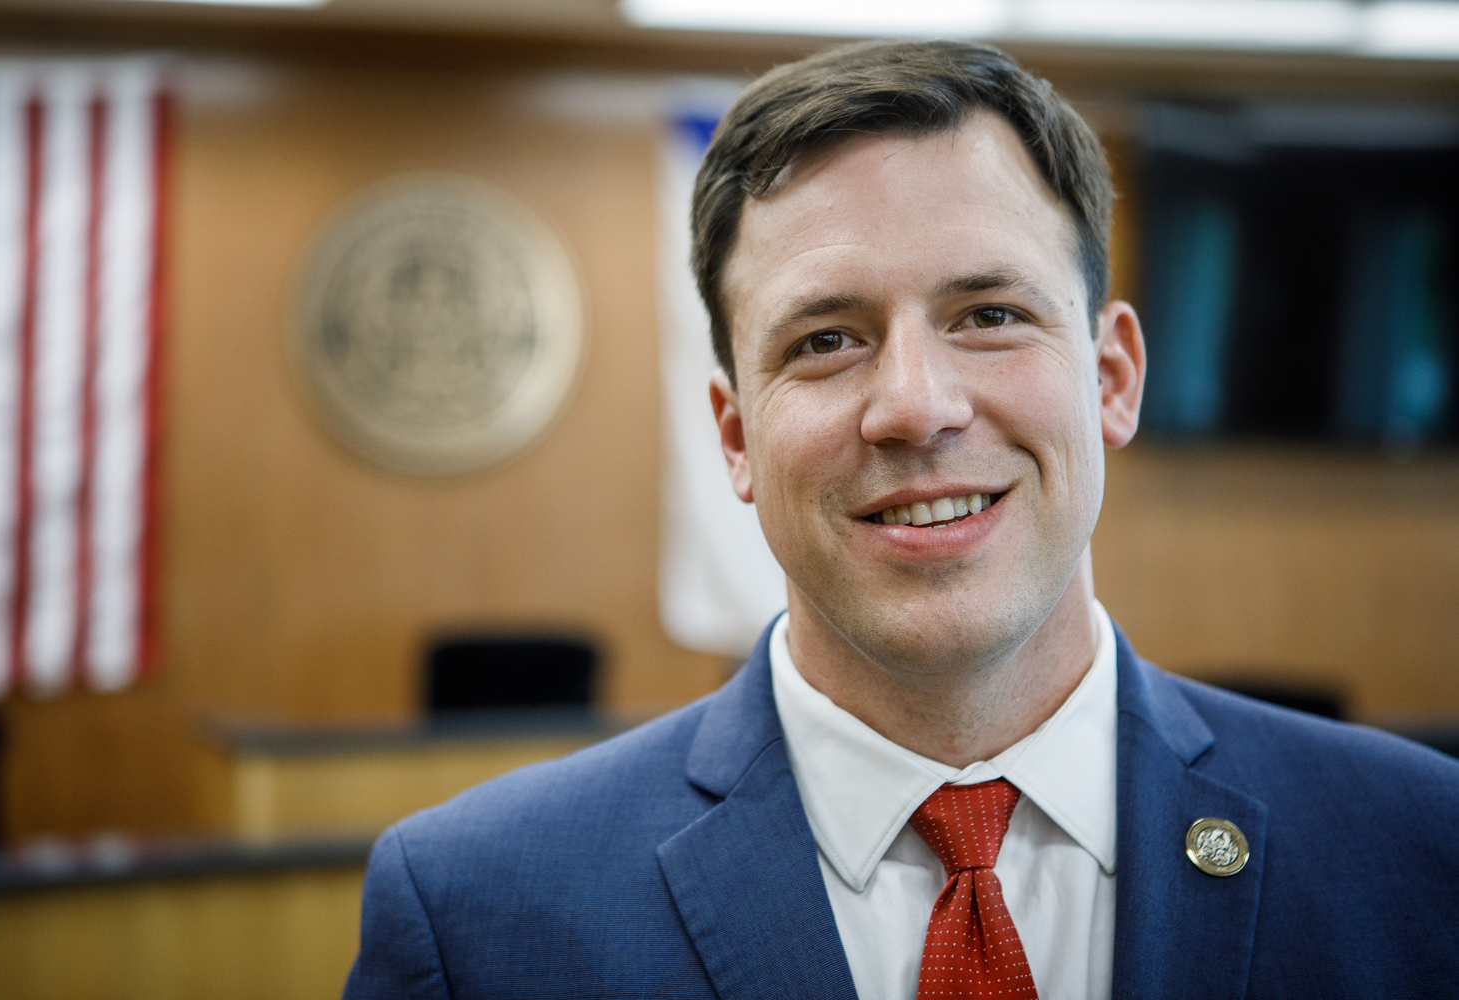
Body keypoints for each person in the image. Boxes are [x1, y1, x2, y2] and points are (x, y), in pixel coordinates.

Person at [343, 40, 1459, 1000]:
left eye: (989, 313)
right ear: (736, 433)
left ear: (1113, 377)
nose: (917, 406)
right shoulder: (477, 916)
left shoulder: (1421, 850)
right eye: (826, 338)